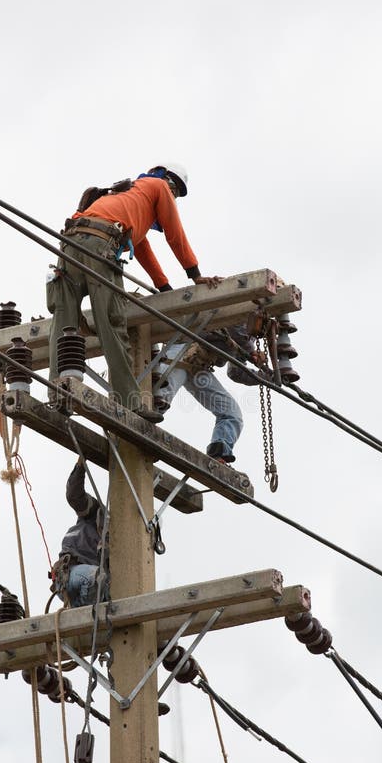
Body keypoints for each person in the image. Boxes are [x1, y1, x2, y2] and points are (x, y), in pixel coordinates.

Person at [46, 163, 221, 422]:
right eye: (176, 194)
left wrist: (165, 289)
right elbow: (175, 234)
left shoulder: (124, 202)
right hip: (100, 245)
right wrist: (195, 275)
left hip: (69, 245)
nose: (173, 199)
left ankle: (57, 393)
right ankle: (130, 402)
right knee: (112, 323)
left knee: (63, 323)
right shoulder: (157, 186)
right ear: (168, 182)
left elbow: (143, 252)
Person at [153, 324, 265, 464]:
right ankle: (144, 423)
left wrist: (267, 378)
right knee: (161, 393)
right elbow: (234, 329)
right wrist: (251, 352)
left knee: (232, 414)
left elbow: (236, 372)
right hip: (183, 349)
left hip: (199, 366)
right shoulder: (243, 312)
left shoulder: (250, 337)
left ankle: (219, 454)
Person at [50, 457, 106, 608]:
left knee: (104, 586)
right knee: (97, 577)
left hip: (90, 586)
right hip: (70, 574)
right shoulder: (97, 513)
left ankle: (78, 612)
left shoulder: (121, 544)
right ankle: (79, 613)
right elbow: (74, 495)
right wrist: (80, 465)